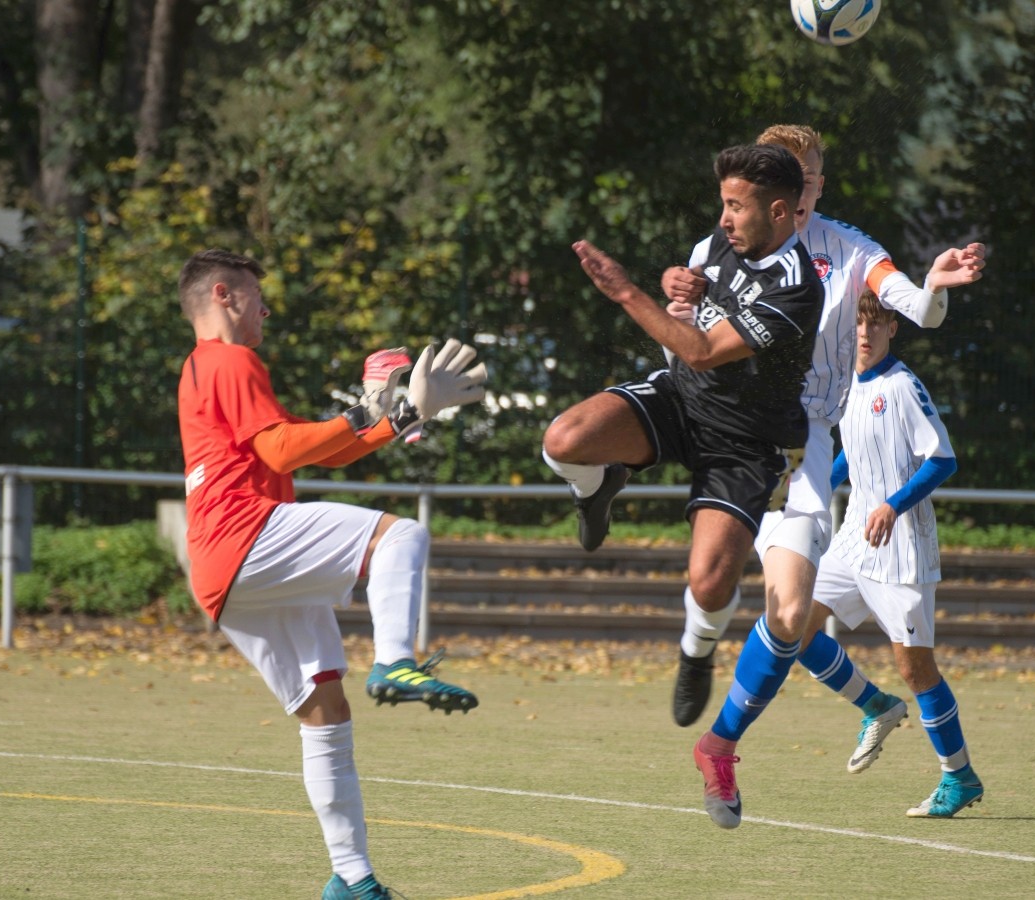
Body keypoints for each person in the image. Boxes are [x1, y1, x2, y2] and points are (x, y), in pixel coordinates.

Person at [176, 249, 487, 900]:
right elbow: (284, 447)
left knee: (325, 712)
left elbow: (312, 447)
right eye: (257, 296)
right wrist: (366, 409)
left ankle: (353, 882)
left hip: (223, 570)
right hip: (245, 537)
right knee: (402, 535)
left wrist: (399, 416)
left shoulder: (208, 367)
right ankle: (396, 662)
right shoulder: (229, 360)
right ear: (225, 296)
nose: (266, 308)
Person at [659, 123, 986, 729]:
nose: (797, 191)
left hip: (799, 439)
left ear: (816, 185)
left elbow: (914, 306)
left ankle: (729, 737)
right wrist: (675, 296)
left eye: (807, 178)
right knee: (748, 591)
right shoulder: (721, 244)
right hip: (725, 420)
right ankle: (704, 667)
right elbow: (687, 327)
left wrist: (935, 286)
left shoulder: (850, 250)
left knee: (789, 611)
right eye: (784, 176)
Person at [540, 143, 825, 744]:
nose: (723, 218)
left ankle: (696, 653)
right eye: (722, 203)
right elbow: (693, 304)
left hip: (745, 444)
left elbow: (701, 348)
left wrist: (626, 291)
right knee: (564, 441)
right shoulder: (729, 238)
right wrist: (677, 281)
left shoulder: (798, 286)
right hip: (680, 398)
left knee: (709, 583)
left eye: (735, 206)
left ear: (779, 212)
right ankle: (598, 487)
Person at [791, 290, 978, 819]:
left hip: (902, 549)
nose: (865, 335)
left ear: (893, 327)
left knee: (915, 669)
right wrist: (818, 483)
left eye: (875, 324)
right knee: (794, 629)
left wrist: (893, 506)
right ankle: (876, 706)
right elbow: (857, 445)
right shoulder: (848, 380)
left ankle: (959, 777)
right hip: (854, 541)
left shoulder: (902, 386)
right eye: (857, 326)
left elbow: (942, 460)